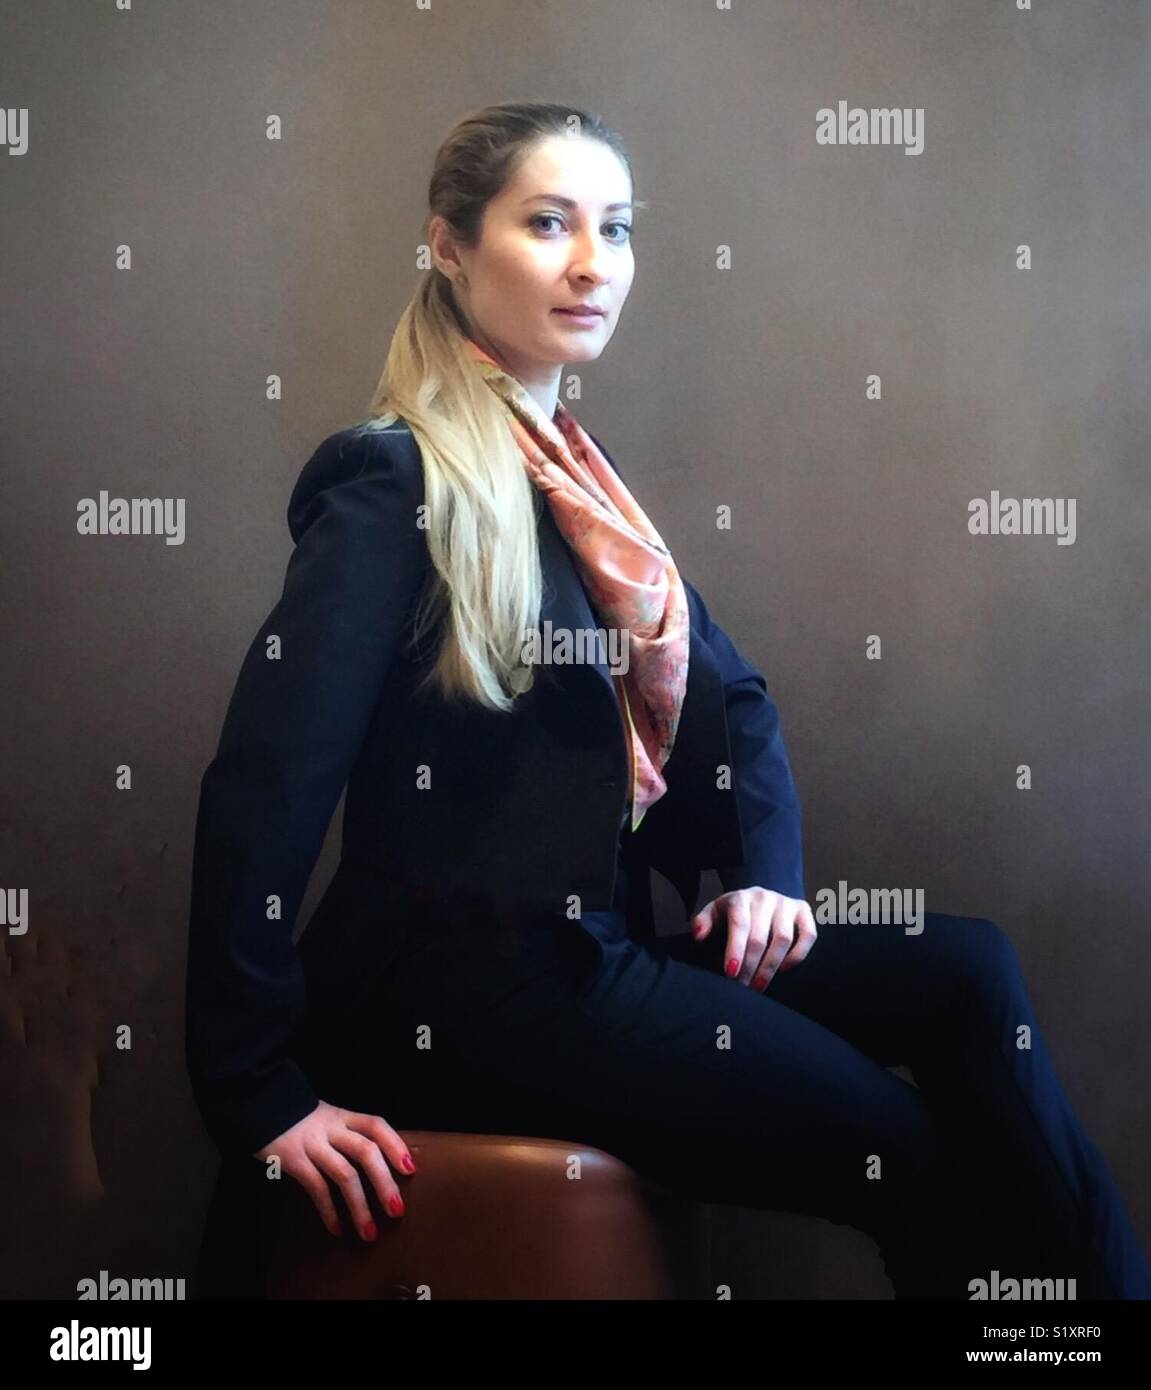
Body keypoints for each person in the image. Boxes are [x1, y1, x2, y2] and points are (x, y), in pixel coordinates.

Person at [186, 100, 1151, 1299]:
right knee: (900, 1151)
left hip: (592, 943)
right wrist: (257, 1087)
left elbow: (729, 695)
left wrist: (763, 875)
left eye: (617, 228)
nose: (593, 261)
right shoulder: (394, 479)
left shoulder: (577, 485)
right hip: (463, 988)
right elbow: (264, 780)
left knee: (967, 974)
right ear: (447, 246)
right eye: (547, 223)